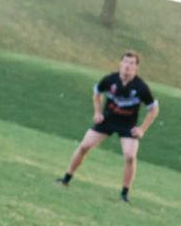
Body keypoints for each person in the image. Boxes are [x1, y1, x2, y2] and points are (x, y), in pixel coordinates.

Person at [59, 51, 158, 203]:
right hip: (107, 121)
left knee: (130, 157)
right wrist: (98, 112)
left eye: (131, 63)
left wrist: (142, 129)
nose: (127, 66)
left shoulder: (141, 87)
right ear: (120, 63)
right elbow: (96, 93)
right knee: (84, 146)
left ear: (136, 67)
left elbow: (153, 109)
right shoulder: (109, 79)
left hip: (127, 126)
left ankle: (124, 194)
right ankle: (66, 178)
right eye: (125, 62)